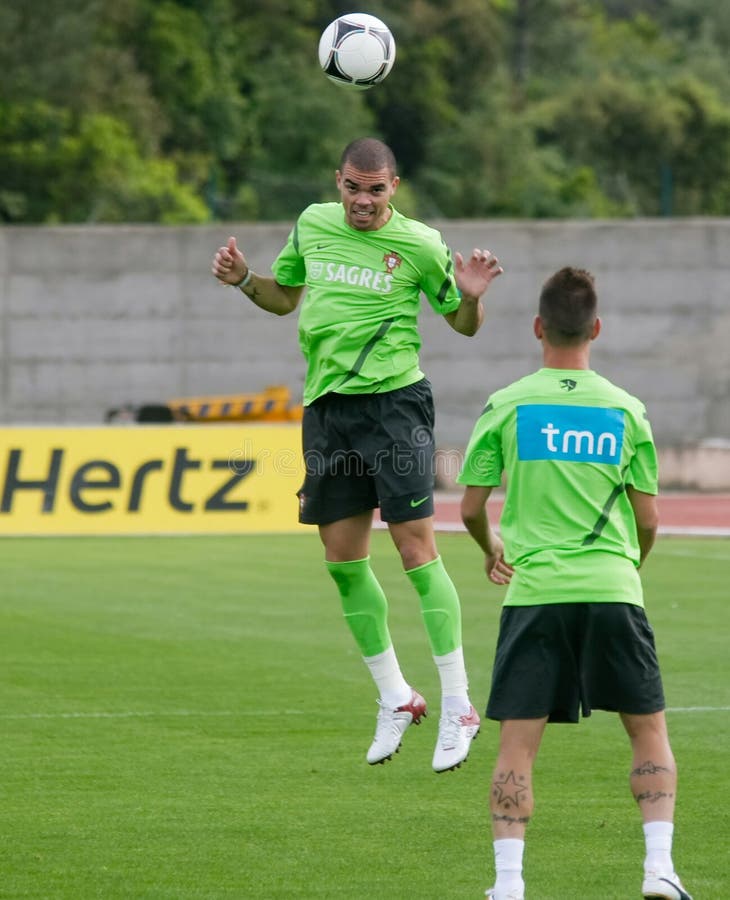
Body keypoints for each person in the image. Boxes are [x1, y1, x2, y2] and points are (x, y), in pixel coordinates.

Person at [211, 137, 503, 772]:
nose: (363, 200)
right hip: (327, 409)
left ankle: (459, 703)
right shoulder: (312, 225)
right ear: (337, 182)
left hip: (394, 405)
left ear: (393, 188)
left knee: (414, 549)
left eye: (375, 189)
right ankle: (396, 696)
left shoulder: (421, 245)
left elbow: (462, 323)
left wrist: (472, 294)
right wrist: (243, 282)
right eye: (353, 187)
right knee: (342, 559)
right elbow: (284, 297)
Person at [457, 267, 691, 899]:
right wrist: (627, 567)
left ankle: (509, 884)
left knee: (517, 746)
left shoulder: (508, 404)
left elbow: (471, 507)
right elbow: (648, 521)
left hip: (535, 595)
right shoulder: (625, 409)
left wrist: (491, 548)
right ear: (596, 328)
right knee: (647, 731)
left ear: (538, 328)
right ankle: (659, 869)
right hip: (613, 589)